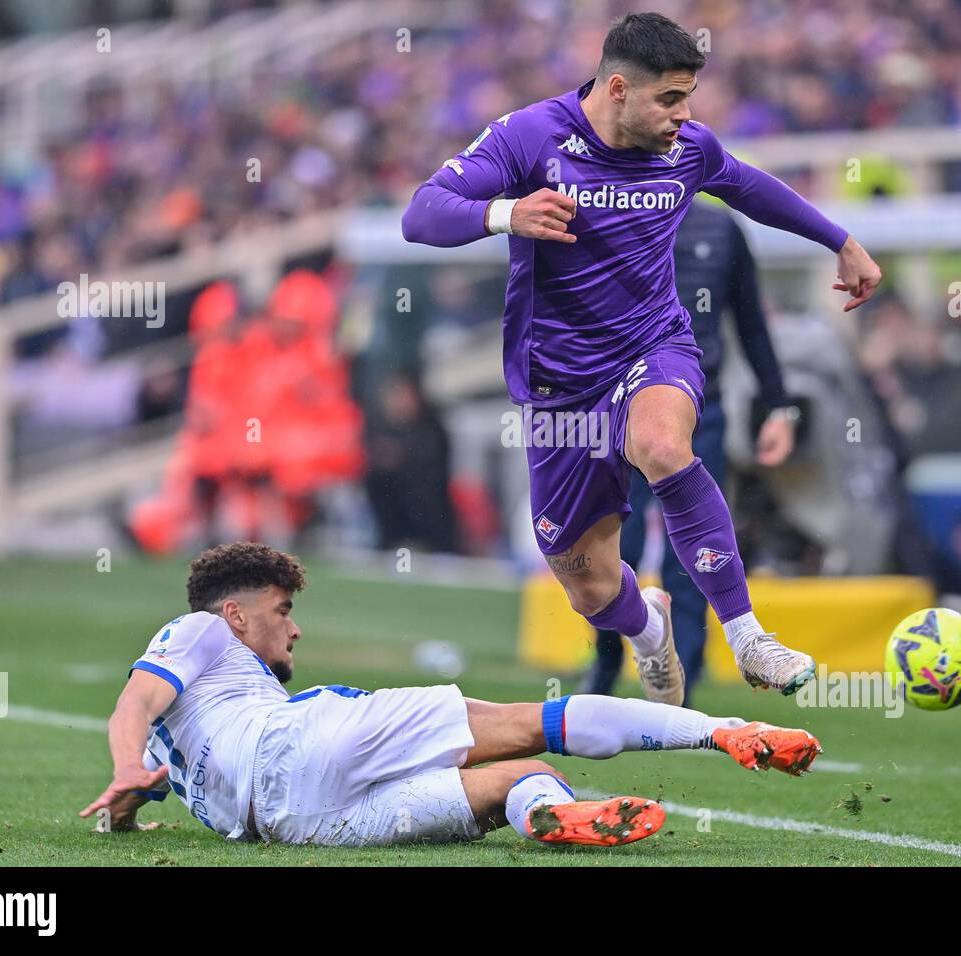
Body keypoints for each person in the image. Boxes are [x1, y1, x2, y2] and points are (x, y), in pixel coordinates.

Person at [401, 12, 881, 706]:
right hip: (557, 384)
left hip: (653, 347)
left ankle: (748, 637)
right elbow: (422, 212)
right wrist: (505, 215)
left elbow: (751, 187)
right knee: (586, 582)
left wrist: (840, 240)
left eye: (689, 97)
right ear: (618, 87)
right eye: (671, 99)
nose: (684, 116)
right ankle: (646, 630)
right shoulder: (532, 136)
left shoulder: (688, 150)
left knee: (663, 445)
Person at [79, 543, 822, 849]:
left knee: (513, 789)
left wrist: (126, 800)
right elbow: (130, 705)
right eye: (282, 612)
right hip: (301, 741)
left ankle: (549, 817)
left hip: (293, 823)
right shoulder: (202, 630)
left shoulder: (172, 743)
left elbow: (138, 765)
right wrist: (123, 773)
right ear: (236, 614)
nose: (293, 631)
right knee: (526, 725)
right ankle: (723, 731)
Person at [585, 200, 797, 703]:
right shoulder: (606, 215)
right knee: (616, 547)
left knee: (696, 554)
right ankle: (608, 665)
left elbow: (751, 323)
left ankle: (687, 683)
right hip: (616, 410)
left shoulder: (721, 228)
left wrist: (779, 407)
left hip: (701, 410)